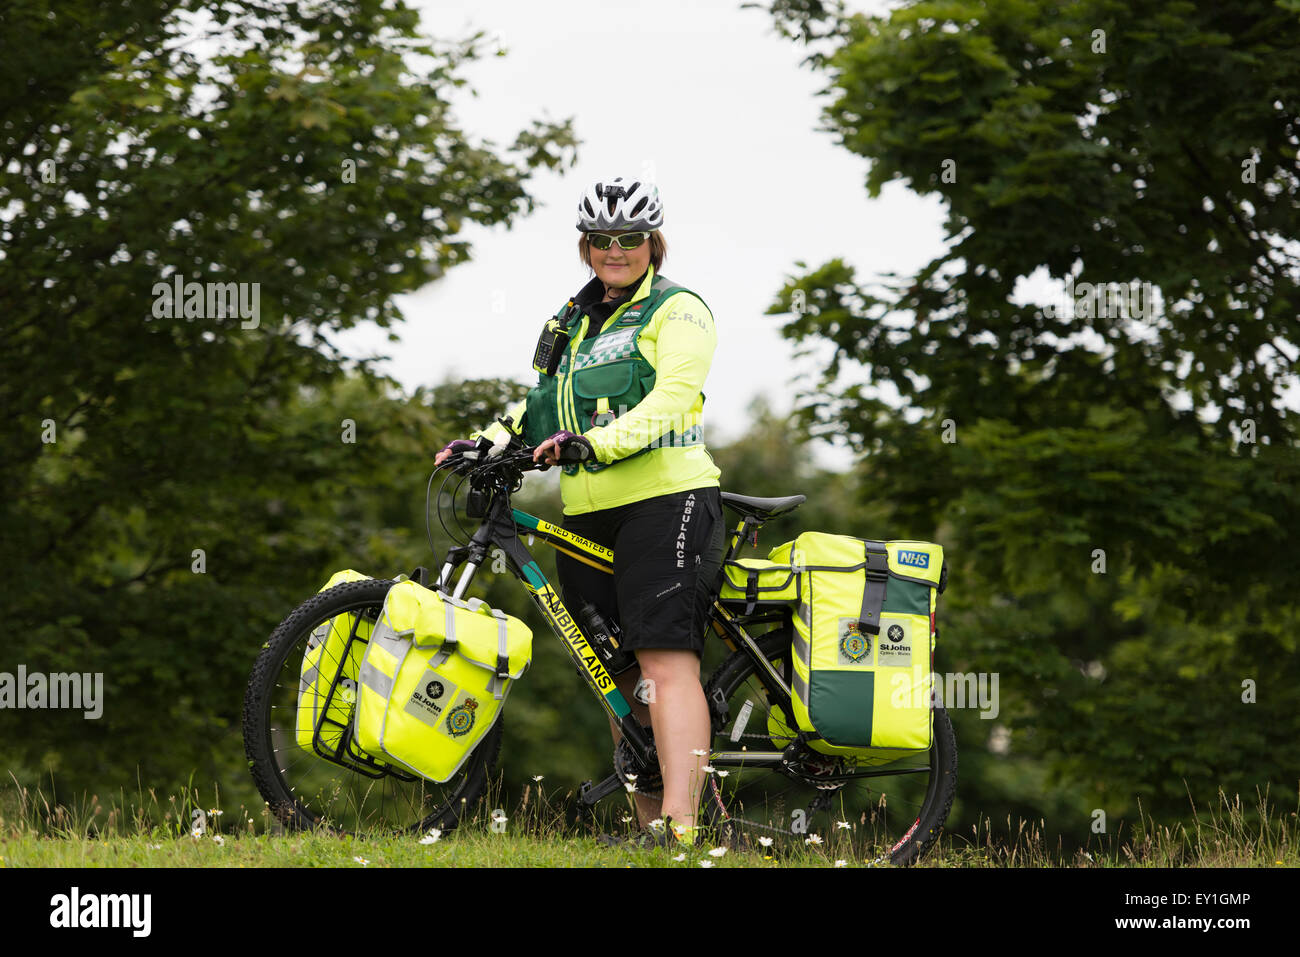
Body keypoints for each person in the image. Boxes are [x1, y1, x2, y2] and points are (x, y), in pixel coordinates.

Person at [434, 175, 724, 846]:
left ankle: (680, 827)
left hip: (665, 500)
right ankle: (650, 834)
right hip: (587, 512)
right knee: (616, 674)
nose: (614, 250)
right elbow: (541, 403)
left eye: (628, 239)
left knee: (662, 661)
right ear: (585, 246)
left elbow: (673, 399)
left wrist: (595, 442)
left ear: (653, 243)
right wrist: (491, 442)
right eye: (601, 240)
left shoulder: (679, 310)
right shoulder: (569, 320)